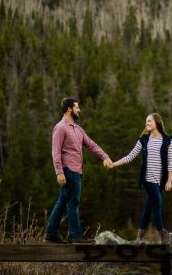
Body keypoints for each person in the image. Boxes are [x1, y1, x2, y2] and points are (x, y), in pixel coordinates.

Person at [46, 97, 112, 244]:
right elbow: (55, 152)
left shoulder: (78, 129)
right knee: (73, 202)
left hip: (76, 171)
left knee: (63, 201)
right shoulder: (60, 127)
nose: (79, 110)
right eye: (77, 107)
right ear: (69, 109)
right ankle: (77, 236)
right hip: (69, 170)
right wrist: (59, 172)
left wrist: (105, 157)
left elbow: (91, 145)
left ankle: (51, 234)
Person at [108, 113, 172, 243]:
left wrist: (169, 180)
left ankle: (140, 237)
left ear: (157, 122)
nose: (147, 123)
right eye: (146, 121)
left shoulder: (168, 141)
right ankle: (164, 236)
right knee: (157, 205)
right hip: (148, 180)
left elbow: (171, 162)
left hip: (161, 181)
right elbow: (130, 156)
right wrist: (113, 164)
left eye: (149, 121)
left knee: (148, 207)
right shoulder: (144, 140)